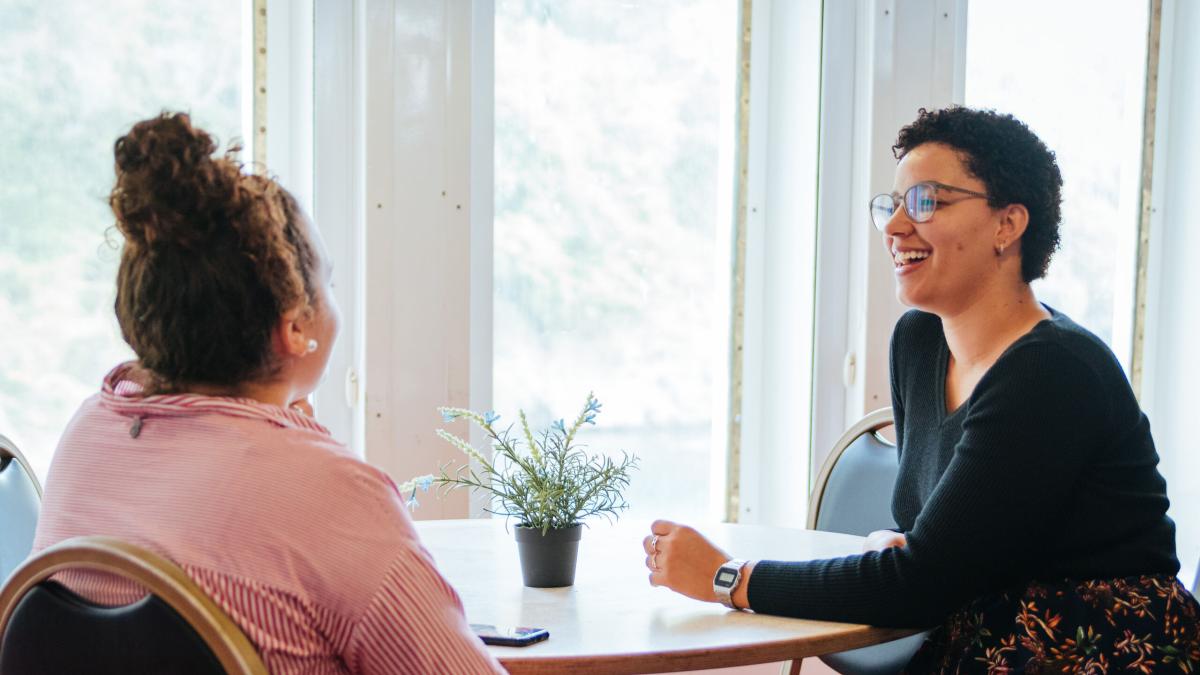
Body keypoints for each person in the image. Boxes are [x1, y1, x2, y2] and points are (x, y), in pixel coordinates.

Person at [643, 106, 1200, 672]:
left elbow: (920, 584)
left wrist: (727, 577)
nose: (895, 226)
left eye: (927, 202)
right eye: (893, 205)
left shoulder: (1052, 370)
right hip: (978, 641)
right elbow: (932, 546)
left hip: (1097, 652)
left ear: (1007, 225)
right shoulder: (919, 342)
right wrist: (912, 546)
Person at [33, 112, 505, 674]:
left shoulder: (88, 435)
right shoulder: (329, 495)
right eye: (327, 282)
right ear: (296, 327)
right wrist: (308, 460)